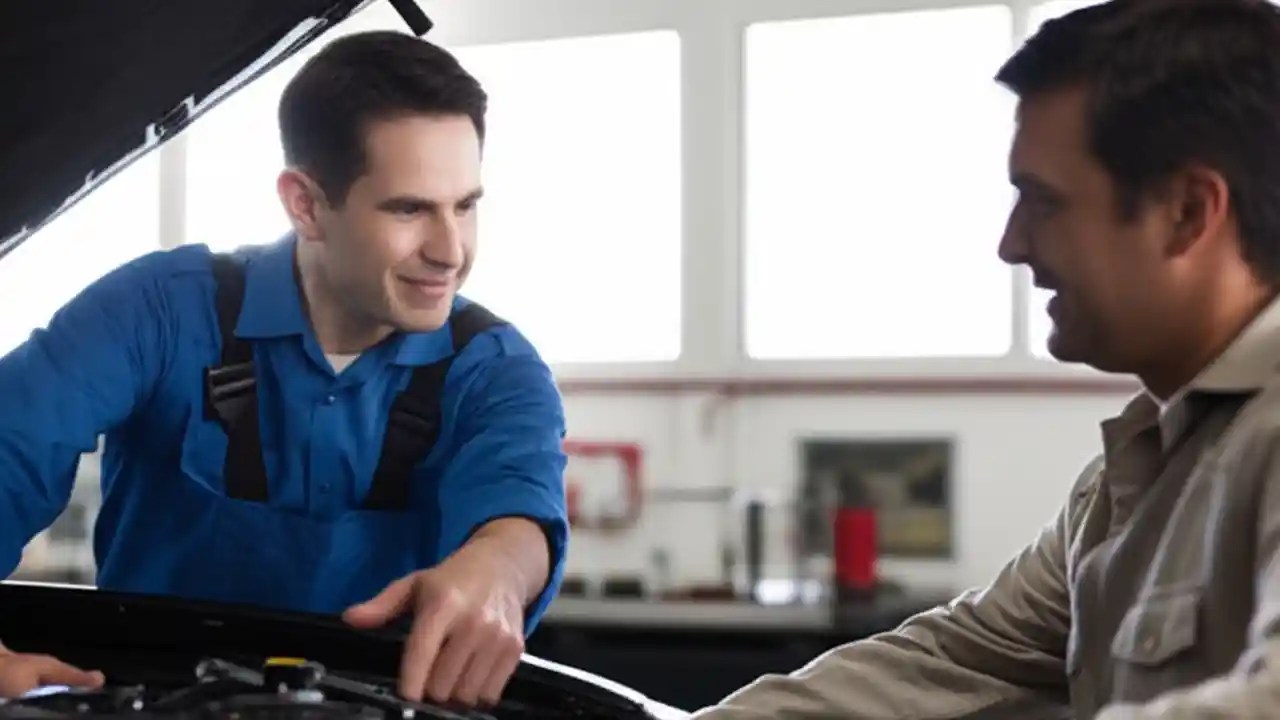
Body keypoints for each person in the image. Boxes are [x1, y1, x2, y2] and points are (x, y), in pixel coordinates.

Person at [691, 0, 1280, 717]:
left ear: (1188, 212)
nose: (1013, 244)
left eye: (1043, 201)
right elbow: (951, 656)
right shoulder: (1131, 477)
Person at [0, 31, 568, 709]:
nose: (451, 251)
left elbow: (518, 508)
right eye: (409, 208)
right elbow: (10, 444)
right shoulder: (156, 311)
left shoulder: (496, 371)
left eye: (466, 205)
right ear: (305, 204)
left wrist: (498, 572)